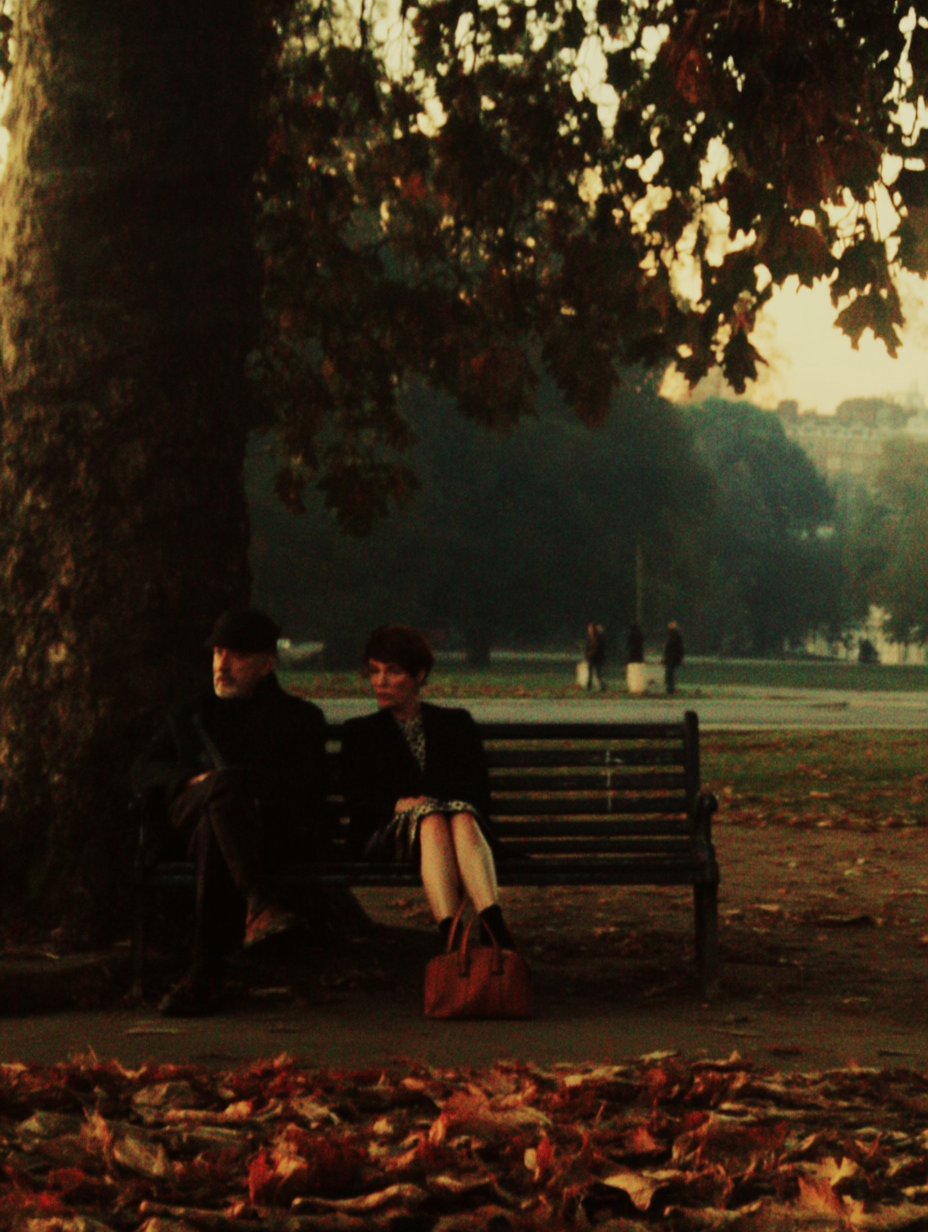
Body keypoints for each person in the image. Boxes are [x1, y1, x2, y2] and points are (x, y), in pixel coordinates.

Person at [132, 609, 328, 1015]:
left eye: (236, 655)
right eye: (218, 653)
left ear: (266, 664)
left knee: (215, 821)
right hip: (186, 822)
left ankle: (205, 973)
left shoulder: (299, 719)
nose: (222, 665)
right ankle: (256, 900)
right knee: (216, 799)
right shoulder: (189, 714)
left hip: (263, 829)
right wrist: (194, 782)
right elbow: (144, 770)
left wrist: (237, 784)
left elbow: (306, 789)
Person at [340, 624, 514, 950]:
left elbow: (477, 790)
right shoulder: (360, 732)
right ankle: (454, 934)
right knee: (432, 818)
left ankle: (490, 927)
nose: (380, 681)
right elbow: (357, 797)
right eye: (375, 671)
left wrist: (438, 804)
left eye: (392, 672)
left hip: (458, 832)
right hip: (388, 837)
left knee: (458, 816)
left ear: (419, 675)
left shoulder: (455, 723)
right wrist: (399, 805)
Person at [663, 621, 685, 695]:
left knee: (669, 674)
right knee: (670, 674)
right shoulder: (674, 637)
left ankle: (670, 690)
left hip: (672, 659)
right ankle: (670, 689)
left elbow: (677, 649)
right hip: (672, 659)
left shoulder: (674, 637)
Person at [584, 622, 606, 691]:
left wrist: (590, 654)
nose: (589, 629)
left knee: (597, 673)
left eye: (590, 628)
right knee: (591, 673)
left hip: (595, 658)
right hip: (592, 658)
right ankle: (589, 686)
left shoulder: (597, 637)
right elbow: (587, 647)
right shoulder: (590, 637)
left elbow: (598, 648)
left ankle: (601, 686)